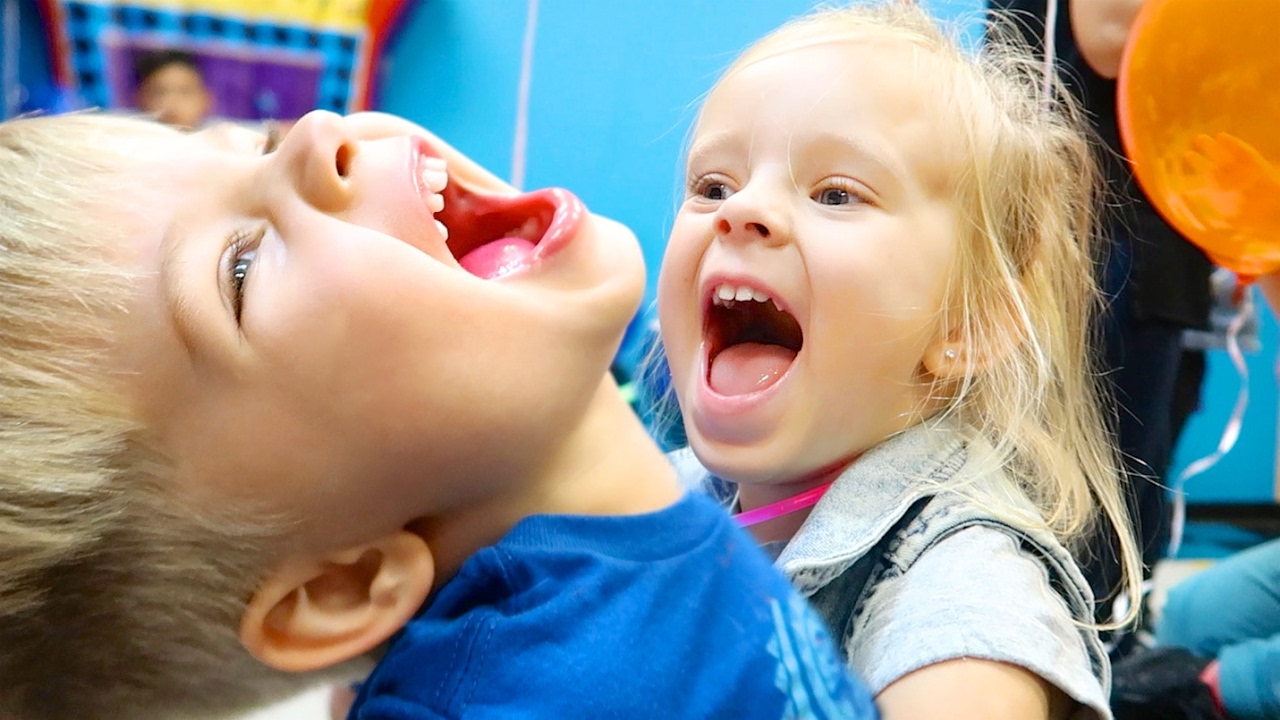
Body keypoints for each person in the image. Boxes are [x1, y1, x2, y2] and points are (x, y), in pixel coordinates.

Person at [0, 110, 879, 720]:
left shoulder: (661, 509)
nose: (315, 135)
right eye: (238, 268)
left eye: (251, 146)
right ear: (337, 588)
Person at [651, 3, 1143, 718]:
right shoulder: (654, 499)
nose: (741, 209)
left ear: (968, 323)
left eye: (836, 193)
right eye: (713, 187)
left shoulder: (962, 586)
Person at [986, 0, 1216, 635]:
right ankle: (1083, 634)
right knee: (1093, 470)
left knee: (1148, 461)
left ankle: (1120, 629)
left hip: (1162, 236)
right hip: (1095, 241)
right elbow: (1109, 41)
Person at [133, 48, 212, 129]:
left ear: (205, 99)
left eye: (184, 92)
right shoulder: (127, 138)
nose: (172, 101)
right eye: (160, 93)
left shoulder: (220, 138)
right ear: (140, 98)